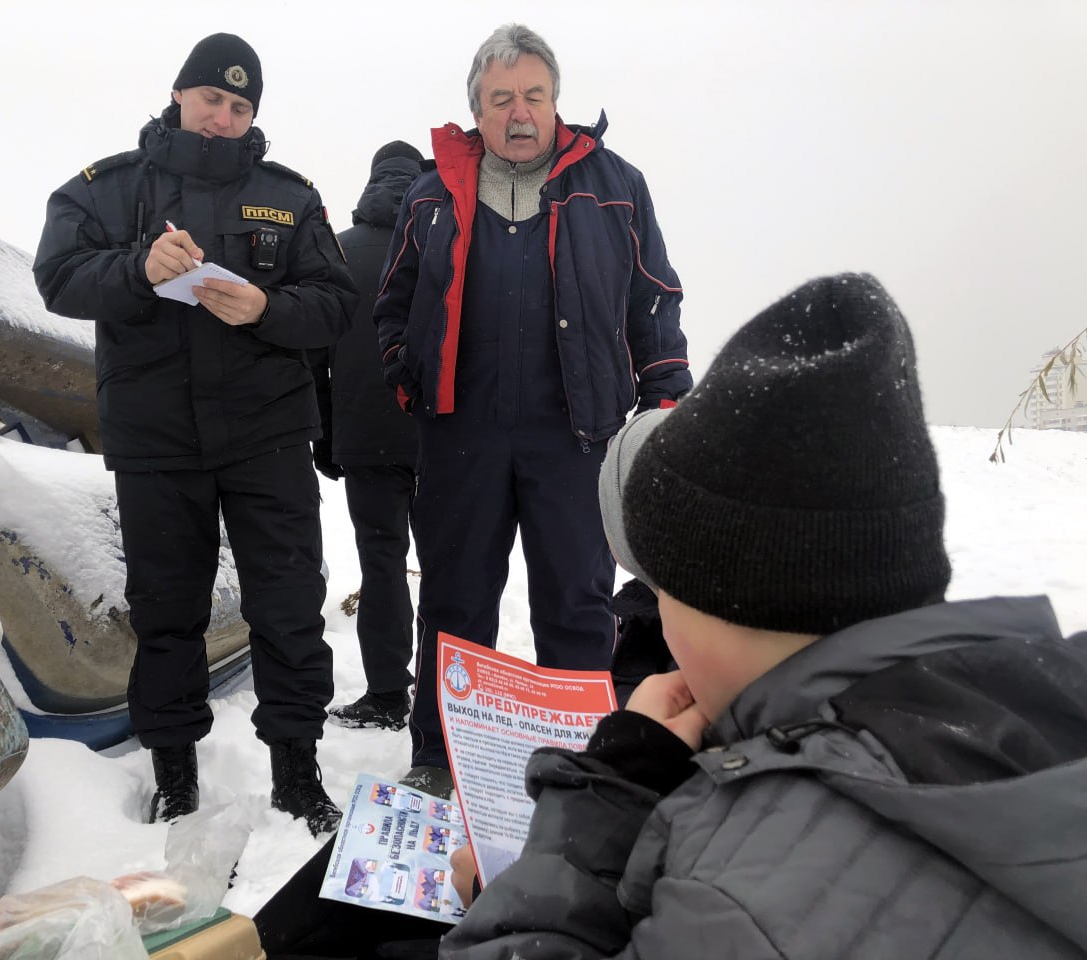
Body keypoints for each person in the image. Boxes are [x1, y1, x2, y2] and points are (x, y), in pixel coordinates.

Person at [436, 273, 1087, 958]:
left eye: (664, 593)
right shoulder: (1043, 693)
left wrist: (567, 852)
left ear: (712, 602)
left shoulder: (739, 898)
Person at [32, 33, 359, 836]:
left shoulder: (289, 197)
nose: (222, 117)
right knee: (167, 612)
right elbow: (57, 278)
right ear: (180, 95)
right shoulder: (106, 190)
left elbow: (336, 302)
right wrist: (138, 268)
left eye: (240, 106)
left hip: (268, 437)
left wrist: (268, 310)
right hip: (157, 442)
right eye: (211, 98)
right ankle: (174, 775)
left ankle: (296, 772)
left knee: (288, 607)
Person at [374, 24, 692, 793]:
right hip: (462, 434)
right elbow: (394, 302)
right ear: (476, 111)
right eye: (500, 99)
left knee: (578, 605)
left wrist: (665, 402)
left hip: (575, 434)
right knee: (453, 601)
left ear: (556, 100)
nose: (519, 113)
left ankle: (584, 758)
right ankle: (439, 760)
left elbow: (655, 303)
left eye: (533, 96)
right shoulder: (430, 194)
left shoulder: (615, 185)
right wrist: (407, 376)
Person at [311, 142, 425, 732]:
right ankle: (442, 695)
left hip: (367, 438)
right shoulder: (445, 245)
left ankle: (386, 695)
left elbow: (315, 357)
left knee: (382, 567)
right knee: (449, 568)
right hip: (442, 439)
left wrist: (325, 438)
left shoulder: (339, 255)